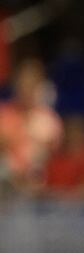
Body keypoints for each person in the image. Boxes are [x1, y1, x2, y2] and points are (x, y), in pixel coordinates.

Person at [0, 59, 62, 191]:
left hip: (38, 190)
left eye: (31, 84)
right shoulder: (3, 114)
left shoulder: (49, 120)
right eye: (23, 84)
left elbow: (53, 158)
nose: (26, 90)